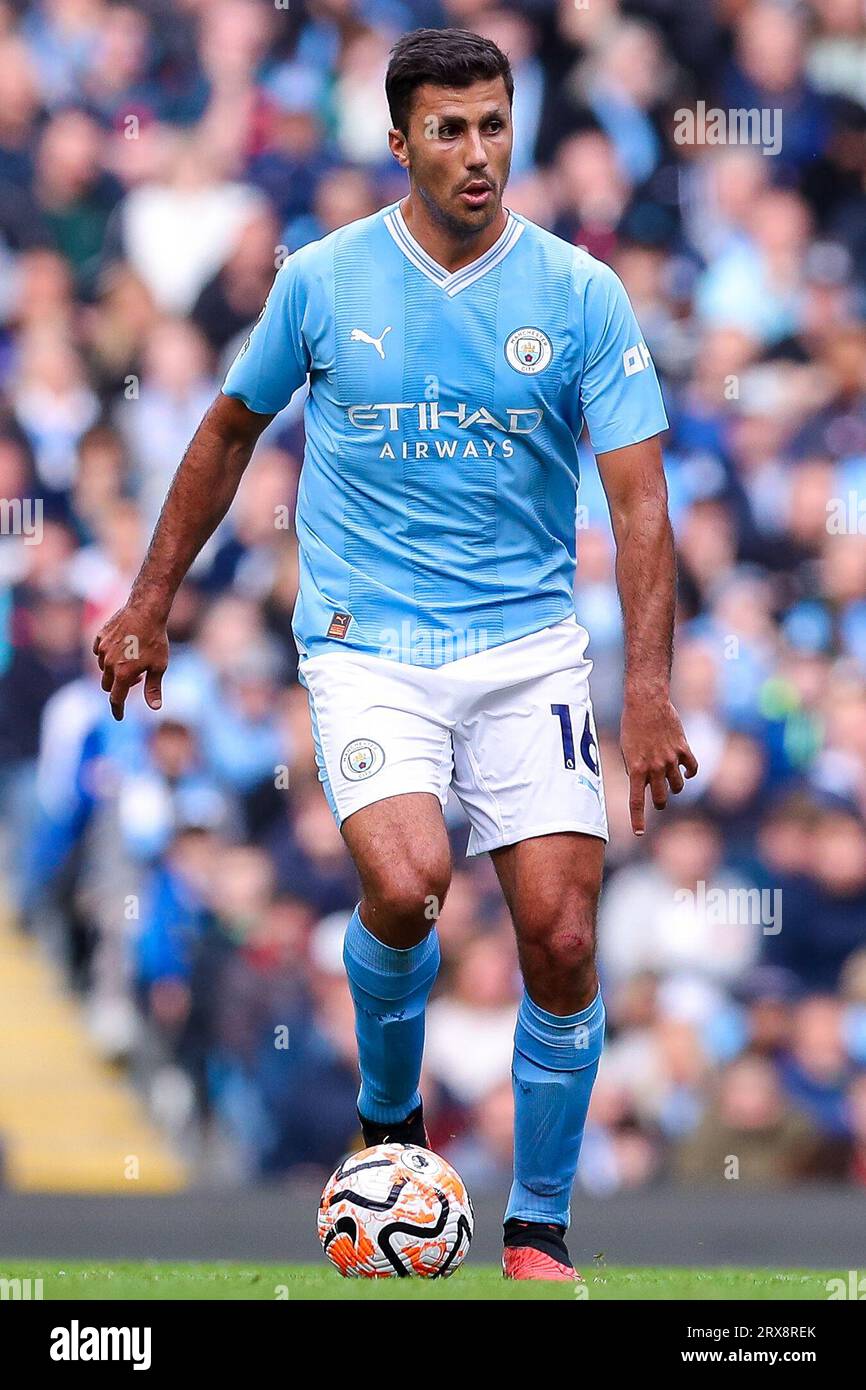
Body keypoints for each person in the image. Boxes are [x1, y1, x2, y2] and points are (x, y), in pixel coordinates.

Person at [93, 27, 697, 1280]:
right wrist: (149, 597)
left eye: (494, 125)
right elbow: (223, 434)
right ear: (398, 141)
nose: (478, 154)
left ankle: (534, 1227)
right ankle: (387, 1117)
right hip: (370, 643)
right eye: (449, 129)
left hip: (528, 647)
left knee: (562, 935)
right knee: (409, 877)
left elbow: (639, 506)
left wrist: (645, 688)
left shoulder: (580, 292)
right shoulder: (322, 280)